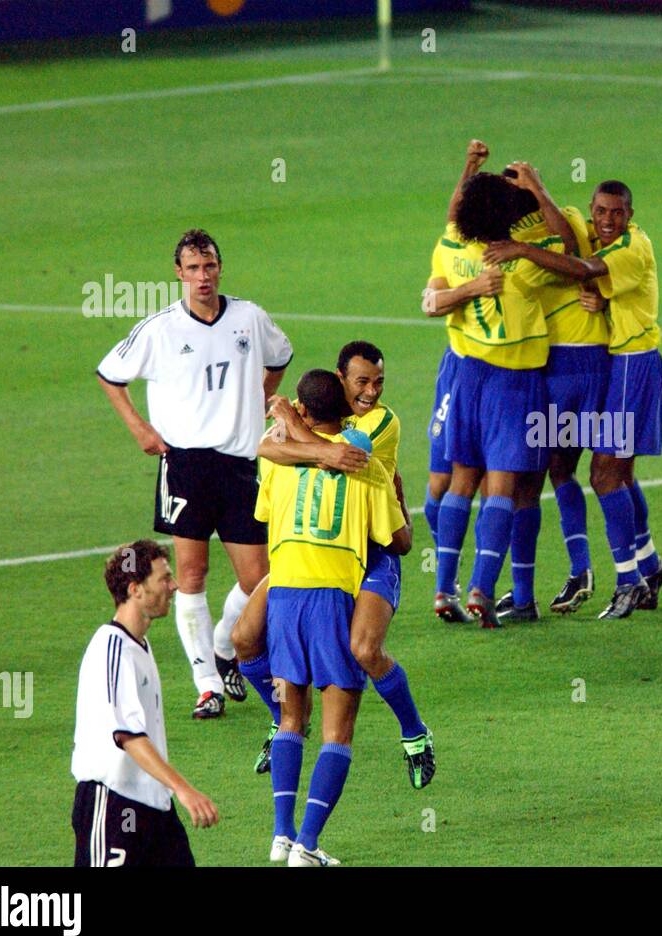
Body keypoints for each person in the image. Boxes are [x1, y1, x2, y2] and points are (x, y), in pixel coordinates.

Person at [96, 229, 294, 718]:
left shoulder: (249, 317)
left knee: (259, 578)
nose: (202, 277)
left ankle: (226, 646)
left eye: (209, 266)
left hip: (240, 462)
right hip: (184, 464)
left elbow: (279, 359)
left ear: (219, 268)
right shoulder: (161, 329)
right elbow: (110, 375)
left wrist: (257, 397)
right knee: (191, 574)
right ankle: (207, 684)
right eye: (193, 268)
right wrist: (141, 429)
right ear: (179, 274)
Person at [234, 342, 433, 791]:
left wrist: (292, 422)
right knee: (244, 638)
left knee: (364, 651)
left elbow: (347, 453)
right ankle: (284, 720)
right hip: (315, 548)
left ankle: (415, 733)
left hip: (373, 547)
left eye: (379, 382)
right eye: (362, 382)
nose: (371, 392)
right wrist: (304, 440)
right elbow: (269, 447)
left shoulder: (380, 422)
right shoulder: (323, 422)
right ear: (340, 381)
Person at [484, 180, 662, 619]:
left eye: (616, 213)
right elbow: (579, 252)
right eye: (601, 212)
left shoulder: (629, 247)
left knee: (604, 474)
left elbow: (583, 266)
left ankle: (628, 581)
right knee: (607, 472)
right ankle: (644, 568)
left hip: (629, 366)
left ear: (630, 213)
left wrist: (524, 250)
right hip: (614, 364)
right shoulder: (593, 230)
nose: (607, 220)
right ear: (592, 210)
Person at [255, 369, 387, 866]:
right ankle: (307, 847)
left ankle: (282, 835)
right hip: (332, 597)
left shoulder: (277, 458)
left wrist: (287, 424)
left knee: (290, 716)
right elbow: (390, 537)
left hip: (284, 595)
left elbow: (265, 509)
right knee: (338, 730)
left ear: (303, 412)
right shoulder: (360, 457)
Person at [422, 171, 564, 626]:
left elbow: (433, 296)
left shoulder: (450, 247)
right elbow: (575, 256)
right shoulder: (522, 263)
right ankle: (483, 586)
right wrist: (538, 193)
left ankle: (444, 589)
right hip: (514, 381)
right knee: (500, 484)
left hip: (467, 374)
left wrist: (465, 169)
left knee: (463, 479)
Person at [72, 540, 218, 866]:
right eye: (164, 579)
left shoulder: (139, 645)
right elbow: (128, 736)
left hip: (154, 806)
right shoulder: (112, 648)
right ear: (136, 589)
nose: (175, 585)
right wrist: (184, 789)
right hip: (114, 805)